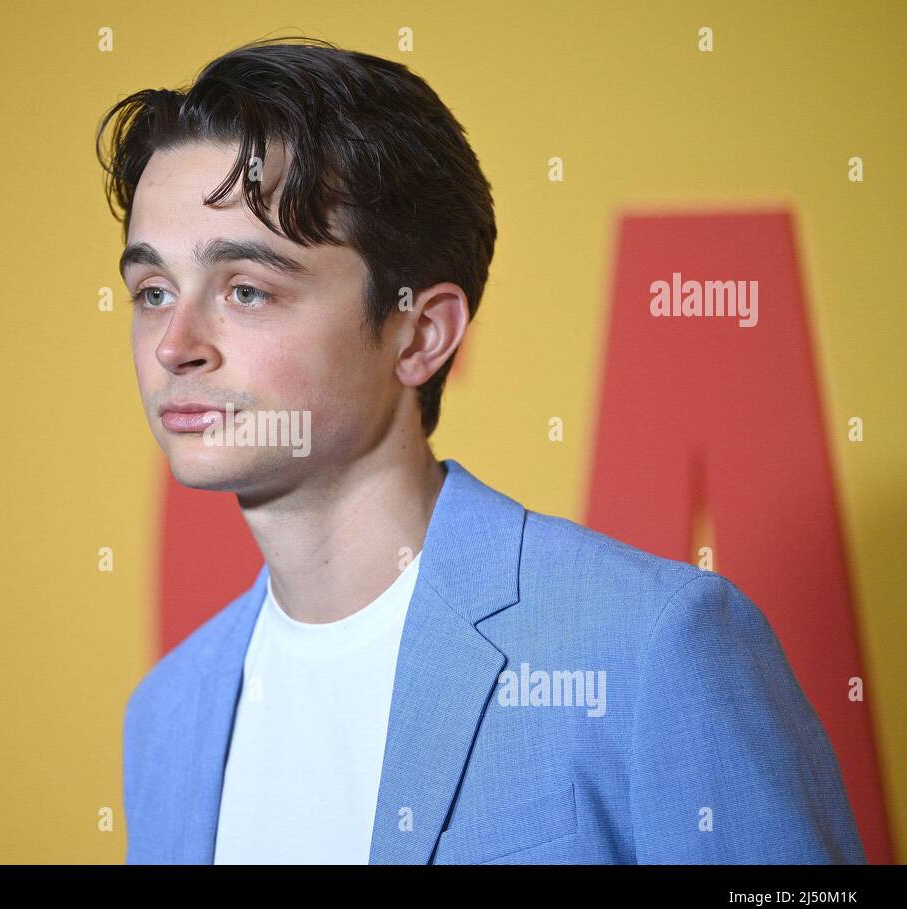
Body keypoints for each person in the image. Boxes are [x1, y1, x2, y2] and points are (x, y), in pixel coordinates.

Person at [97, 37, 865, 864]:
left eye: (247, 289)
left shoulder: (654, 648)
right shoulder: (165, 718)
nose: (175, 344)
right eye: (153, 291)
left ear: (420, 333)